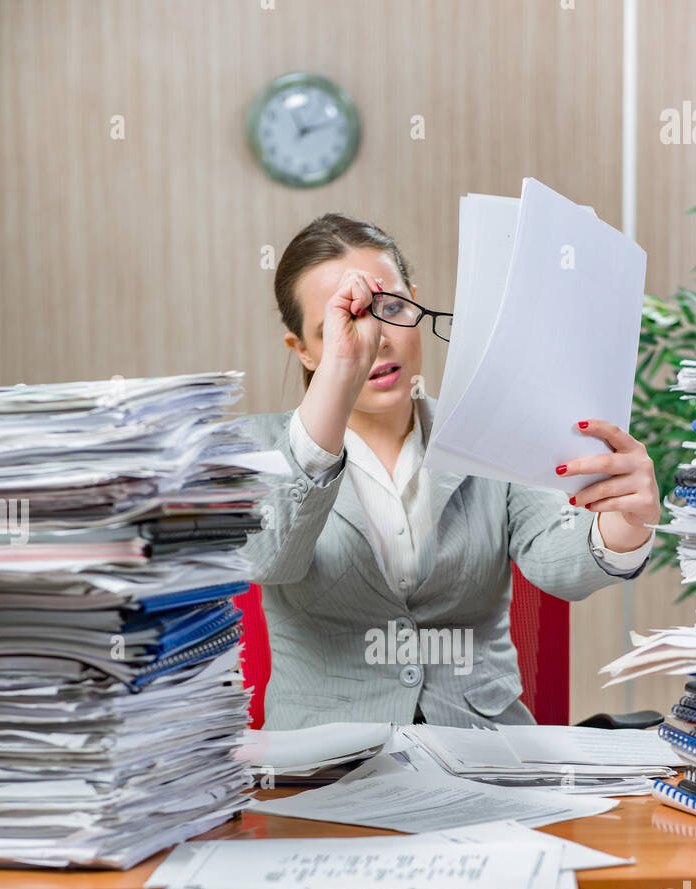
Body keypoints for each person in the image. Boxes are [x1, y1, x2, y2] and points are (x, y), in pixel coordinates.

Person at [241, 213, 660, 729]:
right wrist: (339, 376)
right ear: (302, 350)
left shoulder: (488, 432)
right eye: (340, 323)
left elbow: (561, 563)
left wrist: (626, 522)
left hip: (485, 751)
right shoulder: (260, 449)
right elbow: (268, 559)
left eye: (391, 308)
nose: (378, 338)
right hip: (325, 768)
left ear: (415, 302)